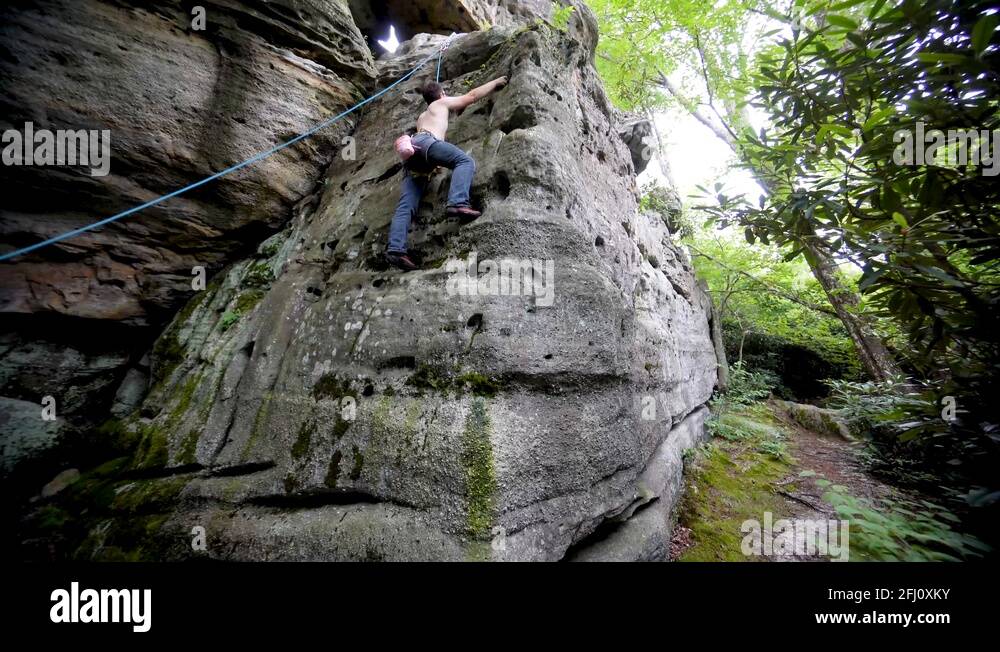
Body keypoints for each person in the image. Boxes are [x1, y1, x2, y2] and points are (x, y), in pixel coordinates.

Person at [385, 76, 508, 271]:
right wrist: (494, 83)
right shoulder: (441, 102)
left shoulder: (422, 116)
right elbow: (471, 95)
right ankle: (458, 203)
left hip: (414, 156)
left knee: (406, 206)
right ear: (442, 94)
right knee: (464, 161)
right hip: (426, 144)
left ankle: (396, 249)